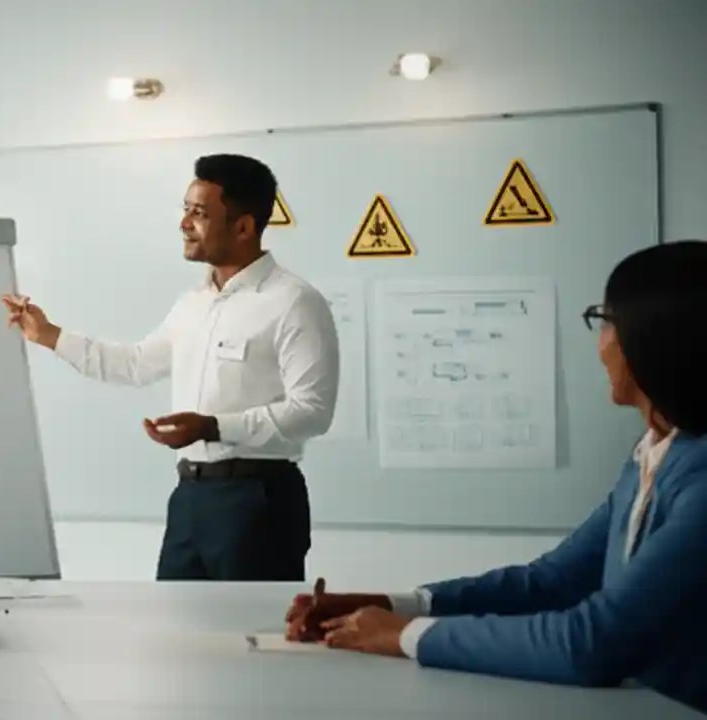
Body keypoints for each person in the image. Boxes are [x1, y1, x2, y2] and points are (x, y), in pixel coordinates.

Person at [284, 240, 707, 713]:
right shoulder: (652, 453)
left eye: (605, 320)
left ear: (652, 339)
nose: (600, 343)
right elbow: (551, 582)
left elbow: (591, 643)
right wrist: (396, 604)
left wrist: (404, 635)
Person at [3, 154, 339, 581]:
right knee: (178, 633)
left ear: (243, 226)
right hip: (190, 497)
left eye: (199, 213)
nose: (184, 223)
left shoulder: (294, 302)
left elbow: (312, 411)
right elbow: (136, 364)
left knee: (248, 641)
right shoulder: (193, 305)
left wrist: (213, 427)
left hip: (258, 499)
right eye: (185, 209)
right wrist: (48, 334)